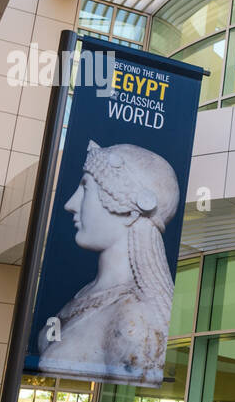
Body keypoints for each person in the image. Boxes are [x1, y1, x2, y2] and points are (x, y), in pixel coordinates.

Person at [37, 141, 180, 386]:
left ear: (131, 210)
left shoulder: (136, 319)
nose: (70, 204)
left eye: (86, 189)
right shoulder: (87, 294)